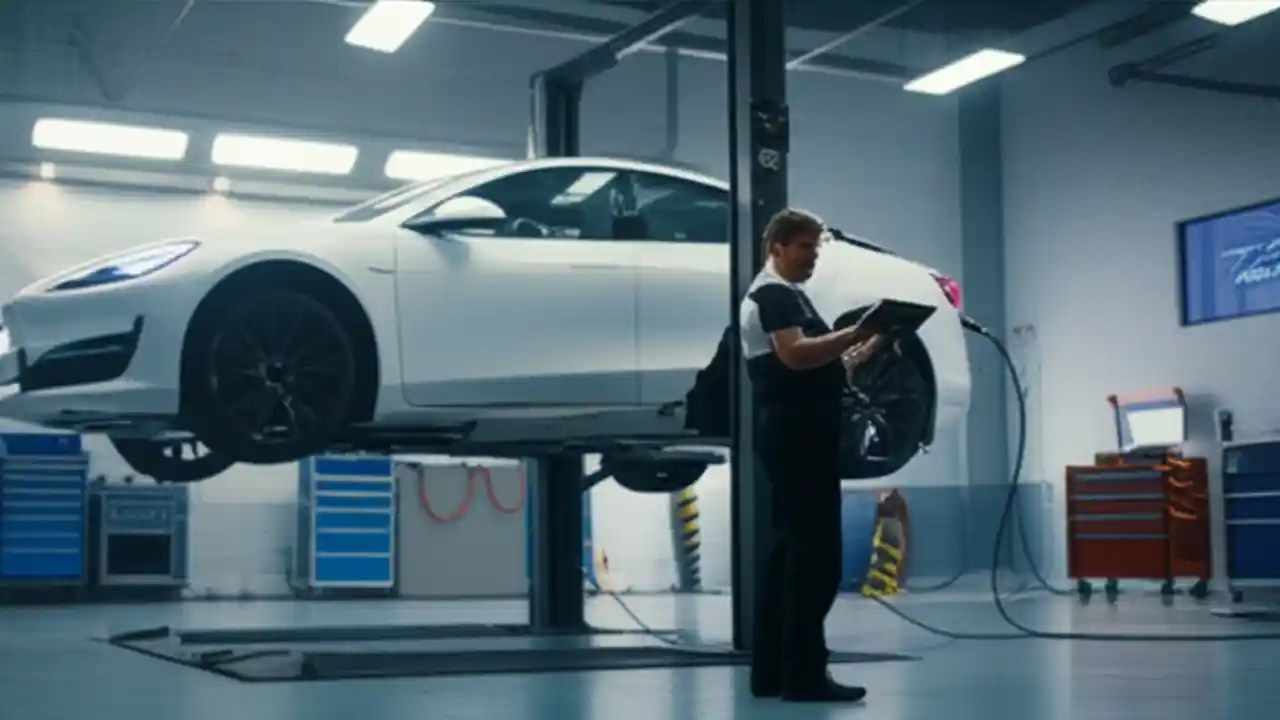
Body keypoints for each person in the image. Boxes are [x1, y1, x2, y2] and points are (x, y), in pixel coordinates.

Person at [739, 207, 886, 703]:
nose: (812, 257)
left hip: (794, 431)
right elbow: (795, 355)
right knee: (813, 558)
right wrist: (852, 332)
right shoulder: (774, 295)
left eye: (816, 249)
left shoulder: (786, 296)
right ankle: (803, 675)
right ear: (776, 247)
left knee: (789, 554)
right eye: (804, 247)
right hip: (798, 435)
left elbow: (812, 365)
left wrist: (860, 351)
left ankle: (774, 673)